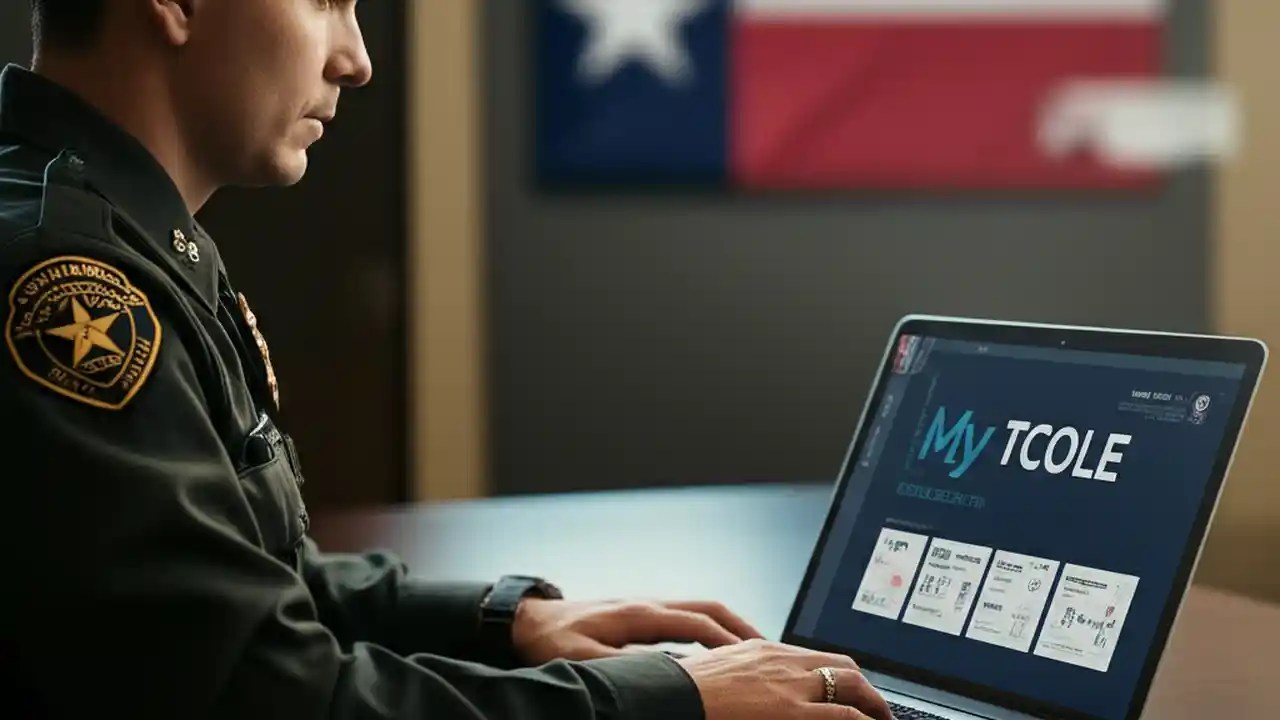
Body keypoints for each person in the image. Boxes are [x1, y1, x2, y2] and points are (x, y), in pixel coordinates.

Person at [0, 2, 894, 719]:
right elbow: (263, 691)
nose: (355, 58)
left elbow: (245, 581)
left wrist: (508, 620)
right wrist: (672, 697)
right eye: (325, 3)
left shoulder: (119, 231)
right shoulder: (70, 287)